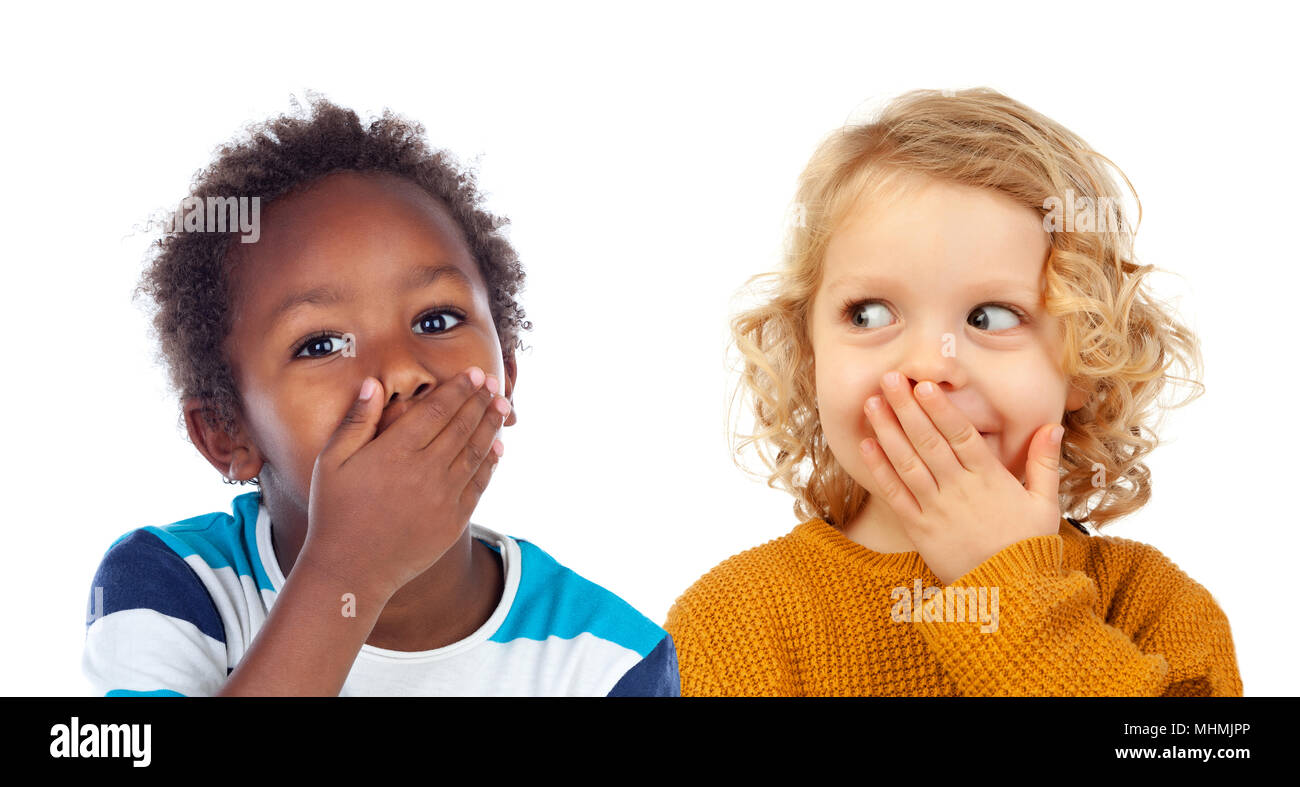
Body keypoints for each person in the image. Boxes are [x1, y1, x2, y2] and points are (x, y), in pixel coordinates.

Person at [83, 96, 678, 697]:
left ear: (508, 377)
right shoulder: (171, 586)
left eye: (438, 321)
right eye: (319, 344)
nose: (401, 372)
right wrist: (349, 570)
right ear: (225, 432)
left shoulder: (611, 662)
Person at [664, 87, 1241, 696]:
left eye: (990, 316)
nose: (928, 367)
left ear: (1085, 362)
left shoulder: (1152, 606)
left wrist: (1009, 594)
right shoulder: (732, 624)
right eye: (869, 314)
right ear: (808, 353)